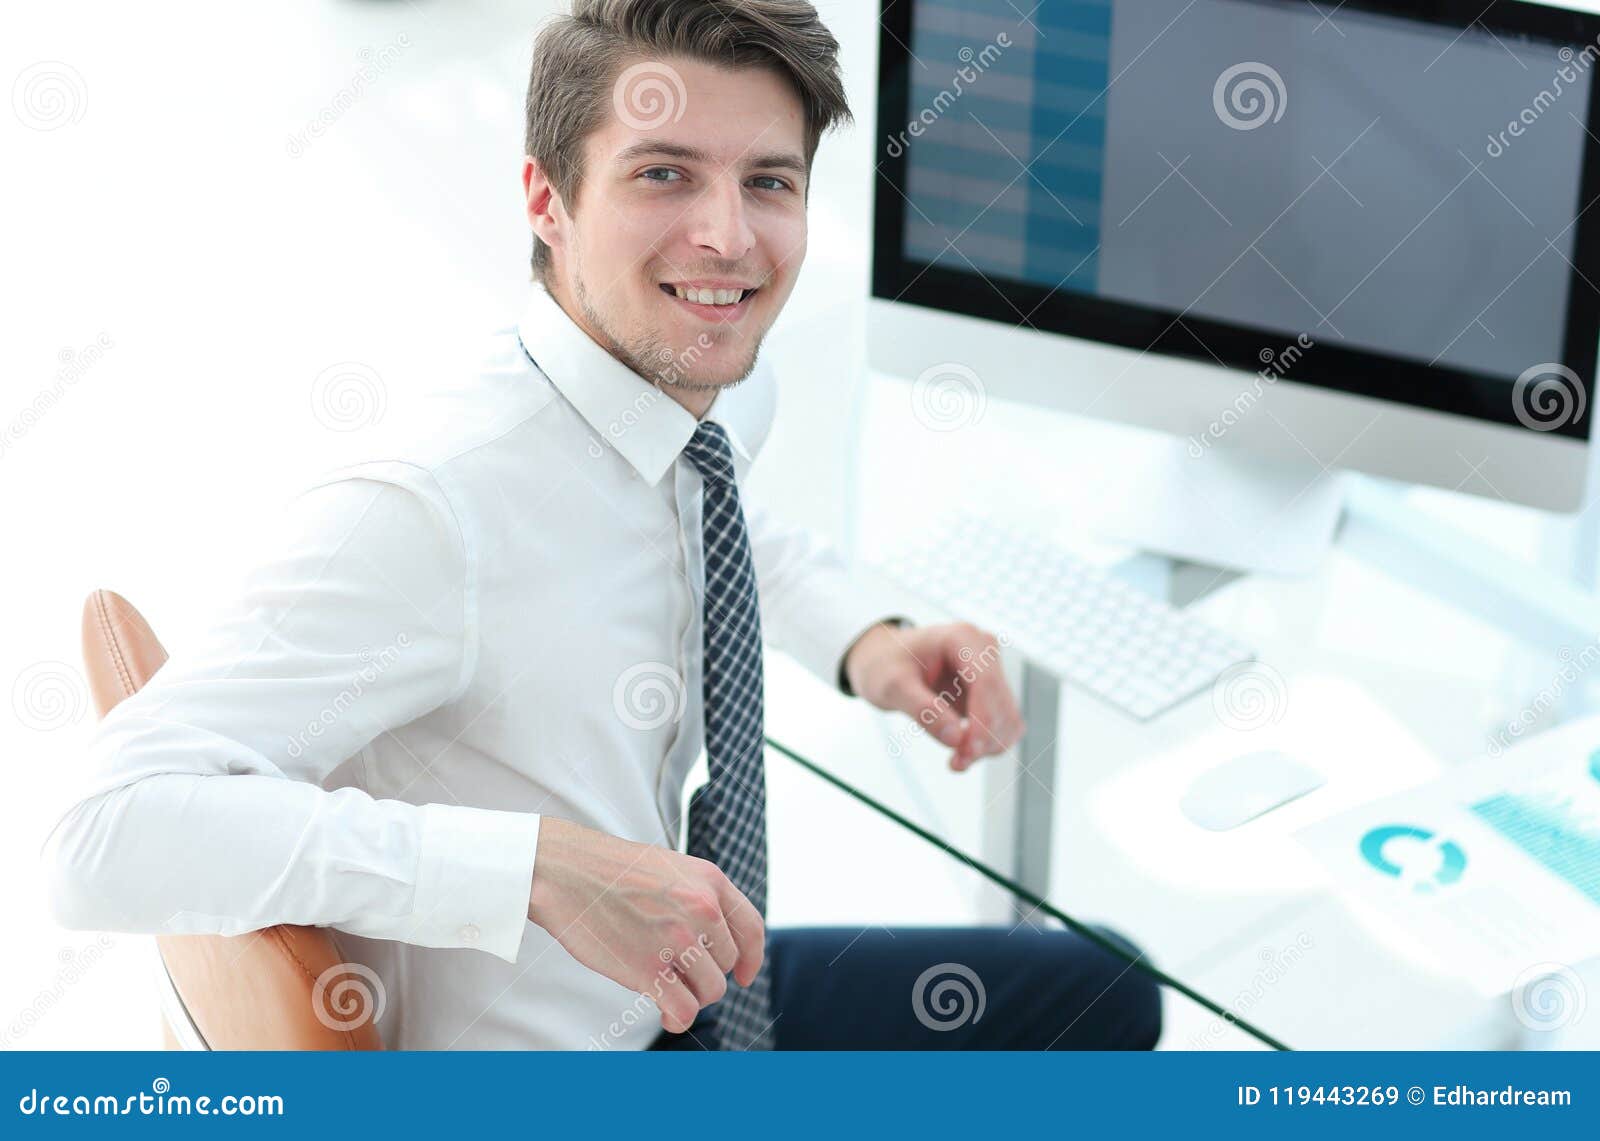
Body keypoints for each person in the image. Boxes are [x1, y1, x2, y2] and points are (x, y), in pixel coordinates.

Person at [45, 0, 1160, 1051]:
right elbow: (101, 836)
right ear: (546, 199)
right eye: (664, 175)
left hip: (683, 997)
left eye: (767, 181)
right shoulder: (433, 509)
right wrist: (534, 869)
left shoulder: (696, 388)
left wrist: (866, 636)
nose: (727, 239)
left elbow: (721, 526)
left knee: (1111, 992)